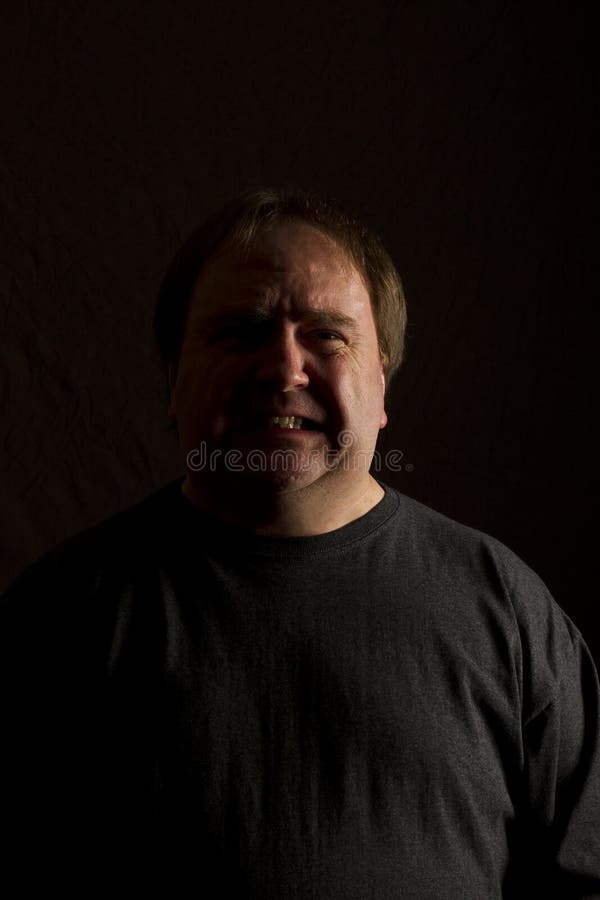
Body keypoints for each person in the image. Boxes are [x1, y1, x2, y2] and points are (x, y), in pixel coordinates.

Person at [1, 187, 599, 898]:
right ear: (172, 379)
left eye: (326, 334)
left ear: (381, 385)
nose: (284, 370)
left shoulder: (509, 611)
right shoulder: (60, 614)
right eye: (242, 331)